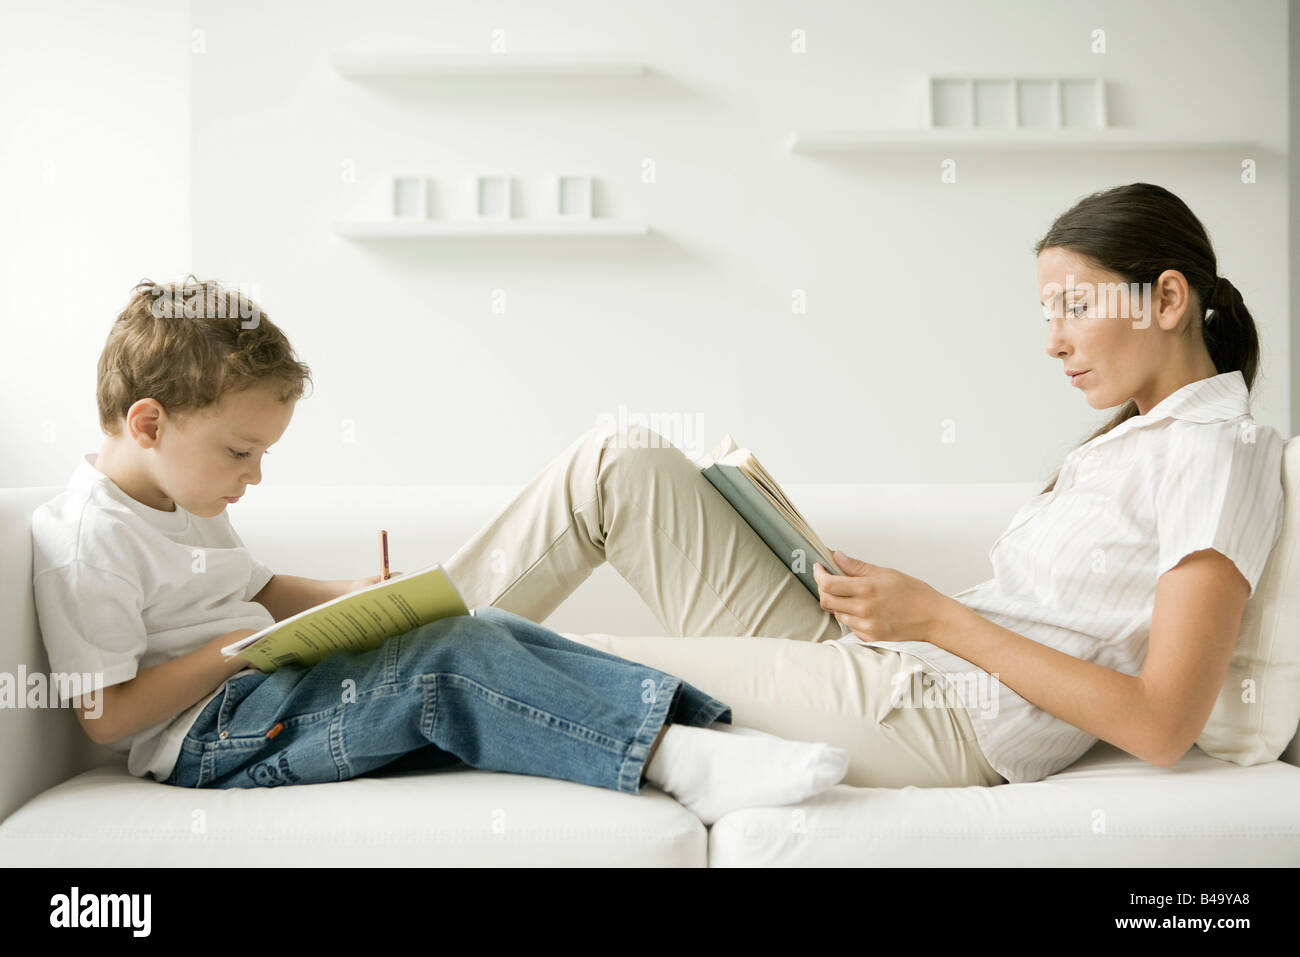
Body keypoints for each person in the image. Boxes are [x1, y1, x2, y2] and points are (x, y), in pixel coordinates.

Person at [438, 182, 1286, 786]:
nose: (1054, 342)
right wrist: (894, 612)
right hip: (892, 665)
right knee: (621, 463)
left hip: (939, 721)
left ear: (1167, 298)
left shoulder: (1218, 451)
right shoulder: (1137, 441)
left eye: (1074, 307)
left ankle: (374, 668)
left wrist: (938, 618)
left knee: (574, 659)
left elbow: (1162, 722)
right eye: (1047, 314)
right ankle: (404, 613)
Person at [29, 277, 850, 827]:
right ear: (148, 422)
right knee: (443, 668)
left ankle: (692, 728)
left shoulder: (185, 494)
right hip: (215, 740)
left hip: (266, 687)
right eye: (240, 451)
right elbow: (107, 716)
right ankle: (676, 760)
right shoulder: (87, 538)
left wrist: (354, 594)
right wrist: (225, 654)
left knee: (480, 622)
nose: (254, 475)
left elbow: (260, 588)